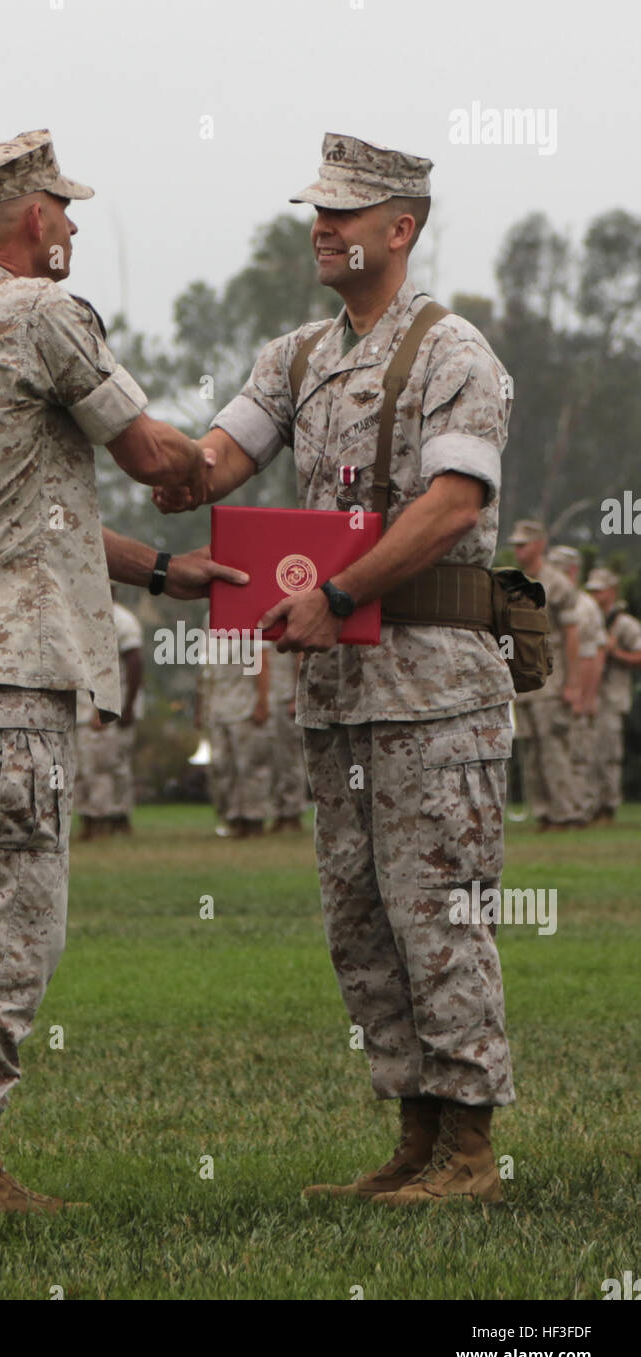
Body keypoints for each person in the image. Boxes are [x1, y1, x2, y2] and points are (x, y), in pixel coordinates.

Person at [0, 129, 245, 1216]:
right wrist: (220, 457)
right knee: (2, 903)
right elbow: (151, 456)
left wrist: (162, 570)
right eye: (64, 211)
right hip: (4, 668)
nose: (73, 227)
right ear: (33, 219)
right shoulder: (42, 314)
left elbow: (28, 511)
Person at [156, 133, 517, 1204]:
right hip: (337, 696)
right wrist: (112, 421)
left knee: (437, 913)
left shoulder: (453, 353)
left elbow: (453, 505)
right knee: (359, 922)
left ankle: (467, 1147)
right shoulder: (297, 358)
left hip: (432, 691)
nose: (320, 226)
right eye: (315, 209)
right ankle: (413, 1132)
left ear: (398, 229)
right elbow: (210, 463)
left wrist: (343, 592)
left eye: (344, 213)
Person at [510, 521, 584, 829]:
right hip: (525, 683)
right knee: (531, 751)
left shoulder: (557, 583)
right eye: (516, 544)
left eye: (524, 544)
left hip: (552, 681)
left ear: (541, 545)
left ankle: (564, 812)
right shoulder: (515, 582)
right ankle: (543, 812)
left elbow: (572, 634)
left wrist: (574, 684)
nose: (519, 550)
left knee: (554, 749)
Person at [547, 546, 607, 827]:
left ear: (572, 571)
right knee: (558, 752)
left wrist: (585, 694)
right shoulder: (551, 601)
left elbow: (592, 655)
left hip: (576, 688)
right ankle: (562, 810)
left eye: (559, 568)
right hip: (554, 687)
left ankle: (582, 810)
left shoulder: (584, 606)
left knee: (578, 752)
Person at [75, 595, 143, 838]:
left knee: (108, 768)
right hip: (79, 709)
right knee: (82, 770)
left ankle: (109, 820)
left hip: (108, 710)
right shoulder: (76, 614)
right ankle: (89, 820)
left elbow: (134, 663)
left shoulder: (121, 619)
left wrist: (125, 706)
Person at [196, 628, 272, 838]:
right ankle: (232, 818)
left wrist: (262, 703)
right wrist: (200, 708)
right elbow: (204, 672)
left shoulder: (248, 620)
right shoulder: (208, 622)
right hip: (217, 709)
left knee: (249, 766)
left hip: (244, 705)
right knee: (222, 766)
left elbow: (261, 661)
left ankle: (254, 818)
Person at [586, 567, 641, 825]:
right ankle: (589, 806)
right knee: (587, 753)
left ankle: (607, 807)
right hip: (589, 695)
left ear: (612, 591)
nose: (595, 594)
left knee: (608, 754)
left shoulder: (625, 624)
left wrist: (614, 652)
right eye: (592, 589)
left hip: (612, 696)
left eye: (600, 589)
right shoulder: (588, 620)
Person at [267, 647, 307, 832]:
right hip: (269, 701)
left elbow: (300, 655)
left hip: (285, 698)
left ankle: (292, 813)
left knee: (289, 760)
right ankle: (278, 812)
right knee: (273, 761)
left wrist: (296, 697)